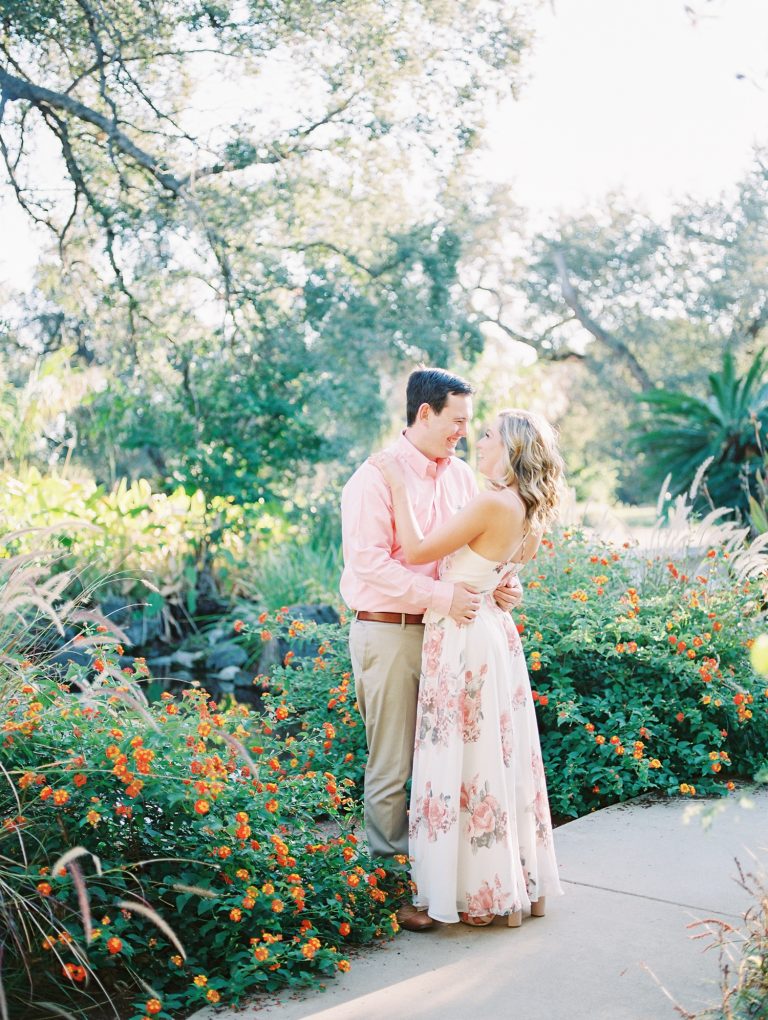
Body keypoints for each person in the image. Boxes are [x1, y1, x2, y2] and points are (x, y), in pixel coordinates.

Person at [340, 368, 522, 932]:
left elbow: (470, 550)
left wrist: (501, 582)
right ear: (425, 413)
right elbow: (369, 564)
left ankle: (440, 883)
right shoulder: (373, 479)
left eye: (470, 423)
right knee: (393, 764)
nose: (465, 432)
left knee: (449, 762)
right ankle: (390, 890)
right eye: (457, 420)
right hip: (391, 633)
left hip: (452, 638)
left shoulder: (463, 477)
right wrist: (444, 597)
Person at [369, 407, 564, 927]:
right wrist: (503, 585)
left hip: (463, 638)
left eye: (488, 435)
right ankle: (519, 887)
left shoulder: (490, 502)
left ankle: (457, 893)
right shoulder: (529, 509)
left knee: (460, 760)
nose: (477, 440)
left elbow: (416, 550)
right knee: (499, 757)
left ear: (512, 449)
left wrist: (396, 484)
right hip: (495, 633)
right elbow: (501, 573)